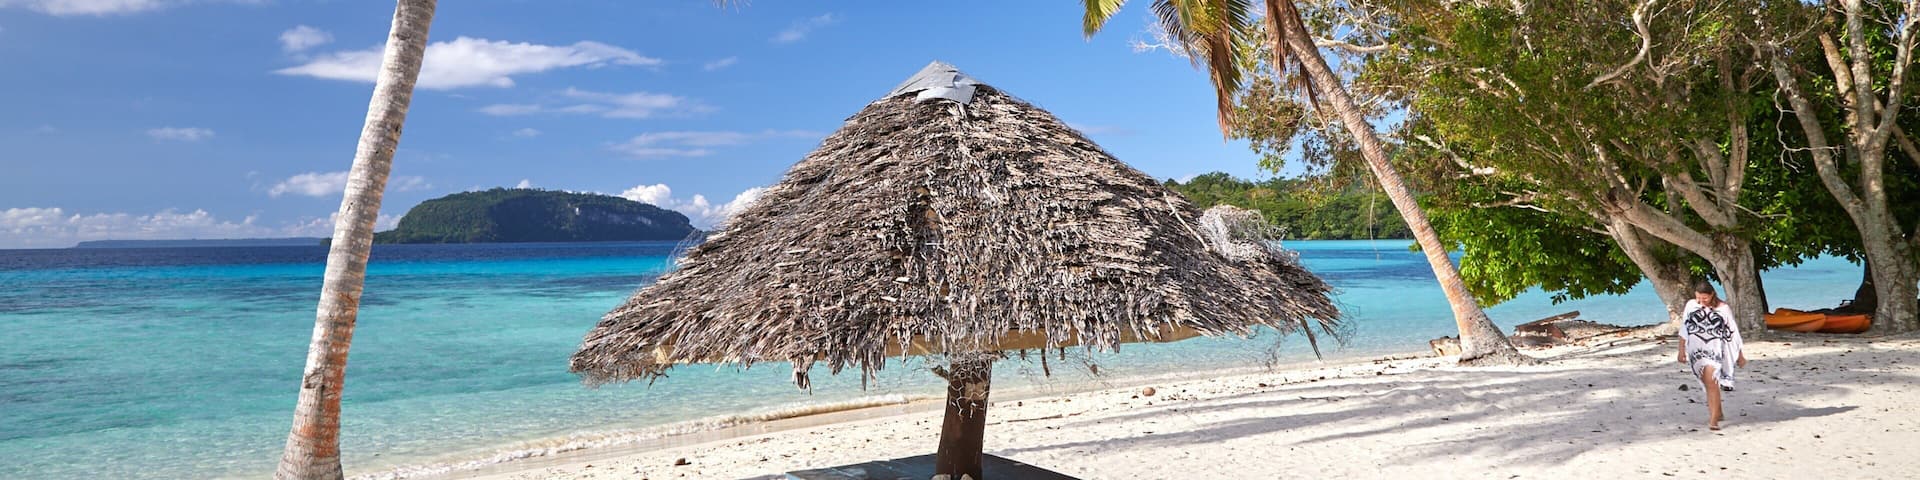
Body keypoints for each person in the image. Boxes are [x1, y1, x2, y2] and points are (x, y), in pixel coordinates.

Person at [1677, 279, 1747, 430]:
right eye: (1698, 298)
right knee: (1709, 384)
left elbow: (1734, 333)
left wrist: (1740, 355)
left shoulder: (1724, 309)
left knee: (1711, 381)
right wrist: (1681, 350)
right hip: (1696, 352)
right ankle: (1719, 412)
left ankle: (1713, 419)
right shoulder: (1691, 305)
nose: (1701, 302)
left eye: (1705, 298)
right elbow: (1684, 329)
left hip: (1715, 352)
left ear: (1712, 294)